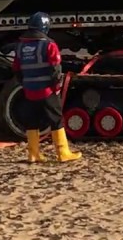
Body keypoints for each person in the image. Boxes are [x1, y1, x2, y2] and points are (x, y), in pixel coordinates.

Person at [12, 12, 81, 164]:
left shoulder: (21, 45)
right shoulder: (49, 44)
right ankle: (63, 153)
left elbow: (16, 68)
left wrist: (25, 84)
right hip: (46, 90)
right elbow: (55, 68)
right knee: (56, 120)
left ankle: (33, 154)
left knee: (32, 121)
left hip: (30, 90)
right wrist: (56, 85)